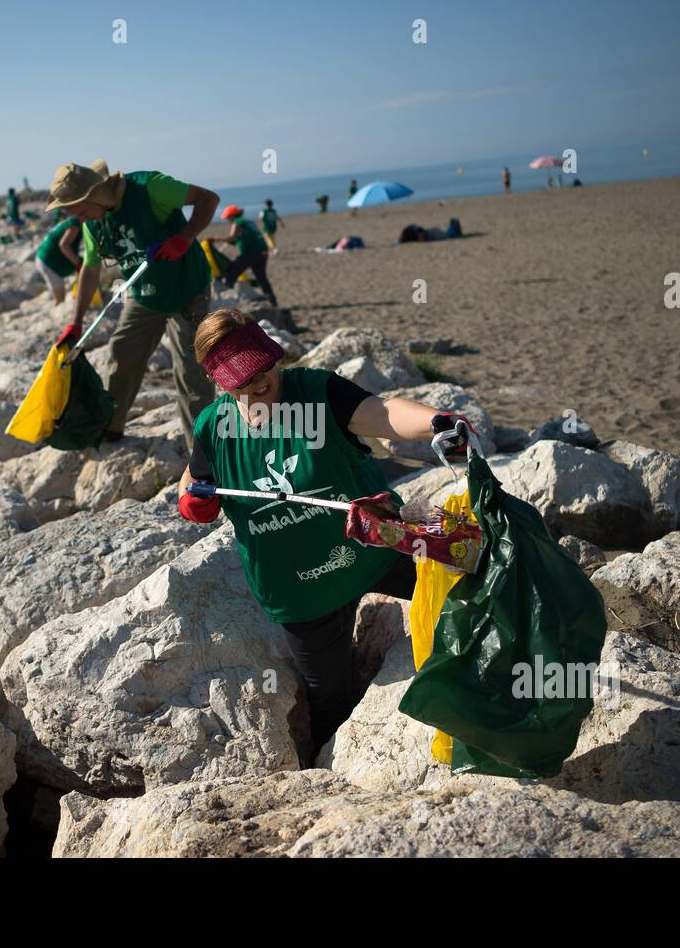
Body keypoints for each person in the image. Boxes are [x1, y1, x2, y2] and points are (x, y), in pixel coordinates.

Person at [177, 308, 474, 756]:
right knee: (332, 706)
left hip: (375, 547)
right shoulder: (213, 427)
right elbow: (193, 481)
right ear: (219, 382)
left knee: (473, 580)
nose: (260, 384)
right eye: (243, 381)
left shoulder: (317, 391)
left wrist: (435, 424)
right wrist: (191, 502)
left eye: (265, 370)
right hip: (301, 590)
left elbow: (383, 413)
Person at [50, 159, 219, 449]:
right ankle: (111, 428)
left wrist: (185, 237)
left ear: (90, 196)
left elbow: (208, 198)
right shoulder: (94, 223)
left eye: (78, 211)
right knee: (121, 354)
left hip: (187, 288)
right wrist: (75, 323)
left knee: (191, 372)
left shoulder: (150, 187)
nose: (79, 220)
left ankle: (202, 453)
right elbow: (90, 270)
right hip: (144, 294)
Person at [209, 205, 277, 307]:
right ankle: (273, 302)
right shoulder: (248, 221)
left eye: (228, 217)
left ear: (232, 215)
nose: (227, 219)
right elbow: (243, 238)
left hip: (251, 253)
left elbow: (232, 236)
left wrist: (214, 239)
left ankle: (225, 301)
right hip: (262, 253)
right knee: (262, 279)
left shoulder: (238, 221)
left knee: (231, 272)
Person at [34, 214, 82, 305]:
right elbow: (64, 245)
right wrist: (78, 263)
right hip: (48, 262)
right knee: (60, 299)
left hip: (45, 258)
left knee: (60, 297)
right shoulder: (75, 224)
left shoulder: (70, 220)